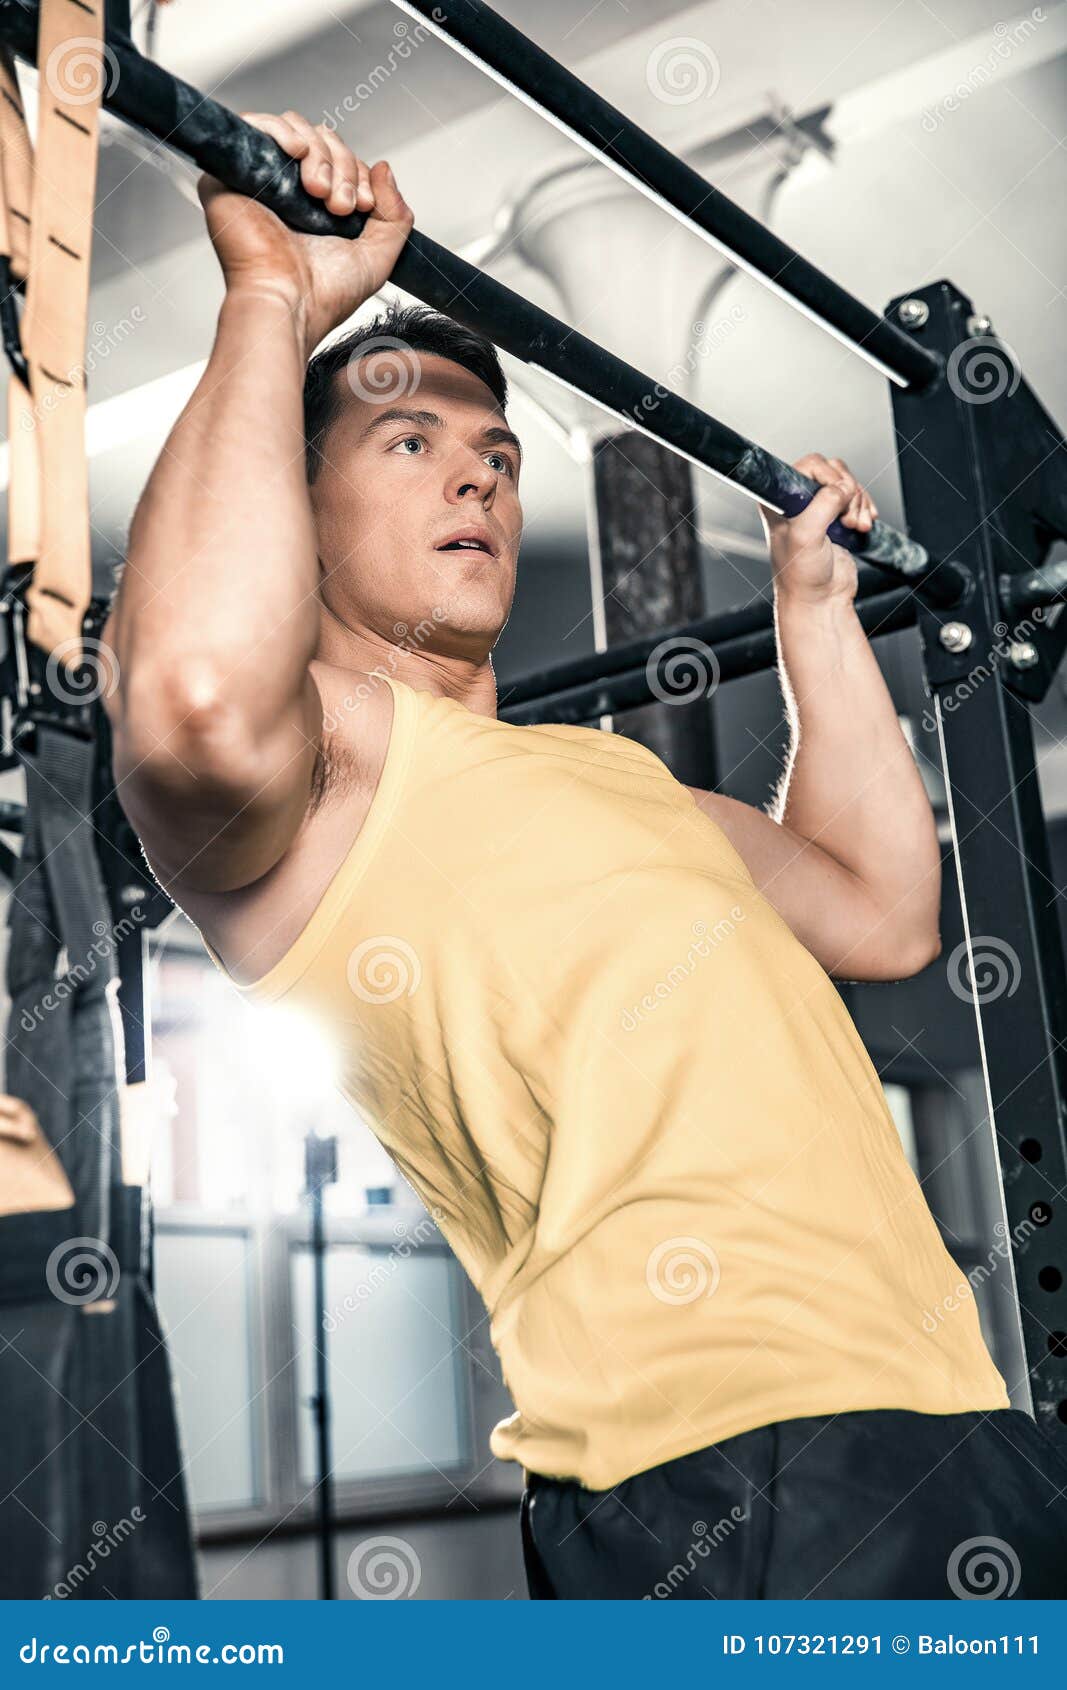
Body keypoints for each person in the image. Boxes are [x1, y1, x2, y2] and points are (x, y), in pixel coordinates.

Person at [103, 112, 1067, 1599]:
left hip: (955, 1418)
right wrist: (271, 296)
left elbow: (882, 909)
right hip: (718, 1464)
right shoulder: (331, 778)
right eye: (409, 443)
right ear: (297, 510)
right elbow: (189, 695)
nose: (478, 479)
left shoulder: (617, 780)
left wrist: (815, 614)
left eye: (495, 453)